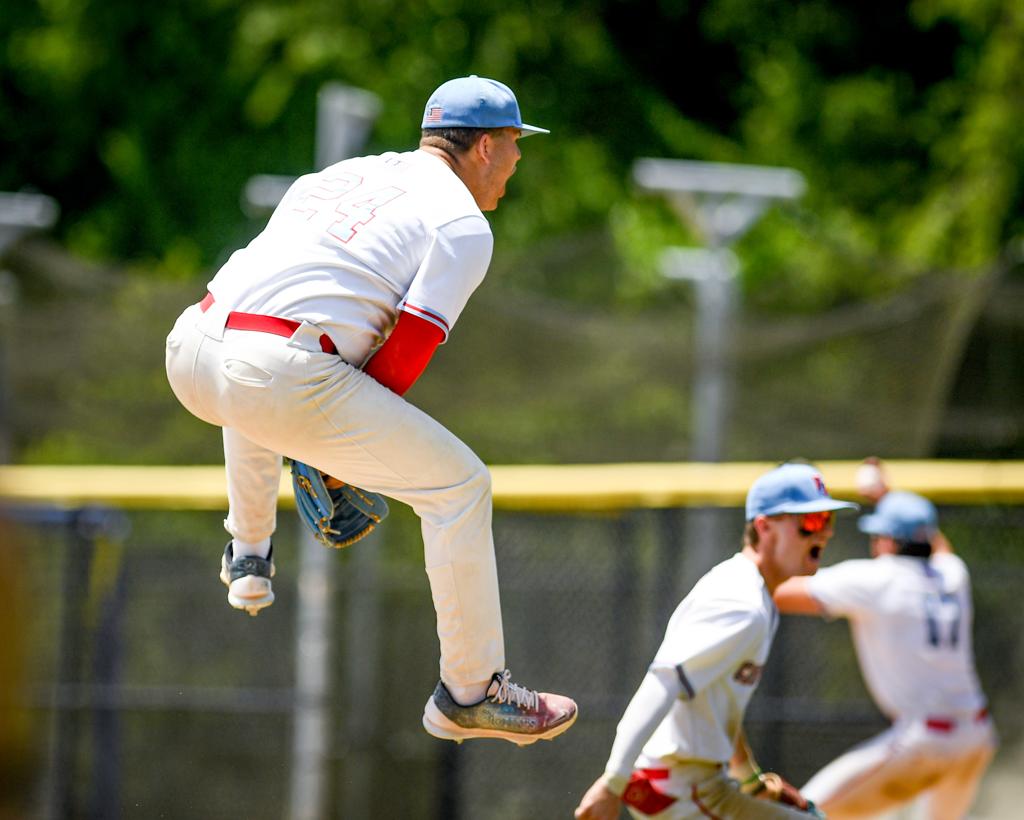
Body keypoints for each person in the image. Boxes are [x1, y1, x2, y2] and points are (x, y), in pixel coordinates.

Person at [164, 75, 578, 745]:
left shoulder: (340, 177)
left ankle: (248, 552)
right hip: (273, 372)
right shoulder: (461, 224)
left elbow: (267, 317)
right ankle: (471, 692)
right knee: (460, 487)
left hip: (190, 345)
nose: (518, 158)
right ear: (481, 147)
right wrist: (336, 461)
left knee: (255, 372)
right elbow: (406, 352)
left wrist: (327, 446)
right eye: (512, 142)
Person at [575, 462, 858, 819]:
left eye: (828, 521)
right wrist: (611, 782)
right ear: (764, 526)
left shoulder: (753, 595)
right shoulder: (742, 604)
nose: (824, 533)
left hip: (685, 784)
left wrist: (751, 780)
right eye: (811, 522)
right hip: (681, 788)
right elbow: (663, 681)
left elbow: (718, 703)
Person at [773, 489, 997, 819]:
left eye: (878, 535)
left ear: (889, 542)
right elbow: (939, 546)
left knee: (801, 812)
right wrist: (889, 498)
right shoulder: (953, 574)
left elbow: (778, 591)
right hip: (976, 737)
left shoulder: (878, 577)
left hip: (924, 742)